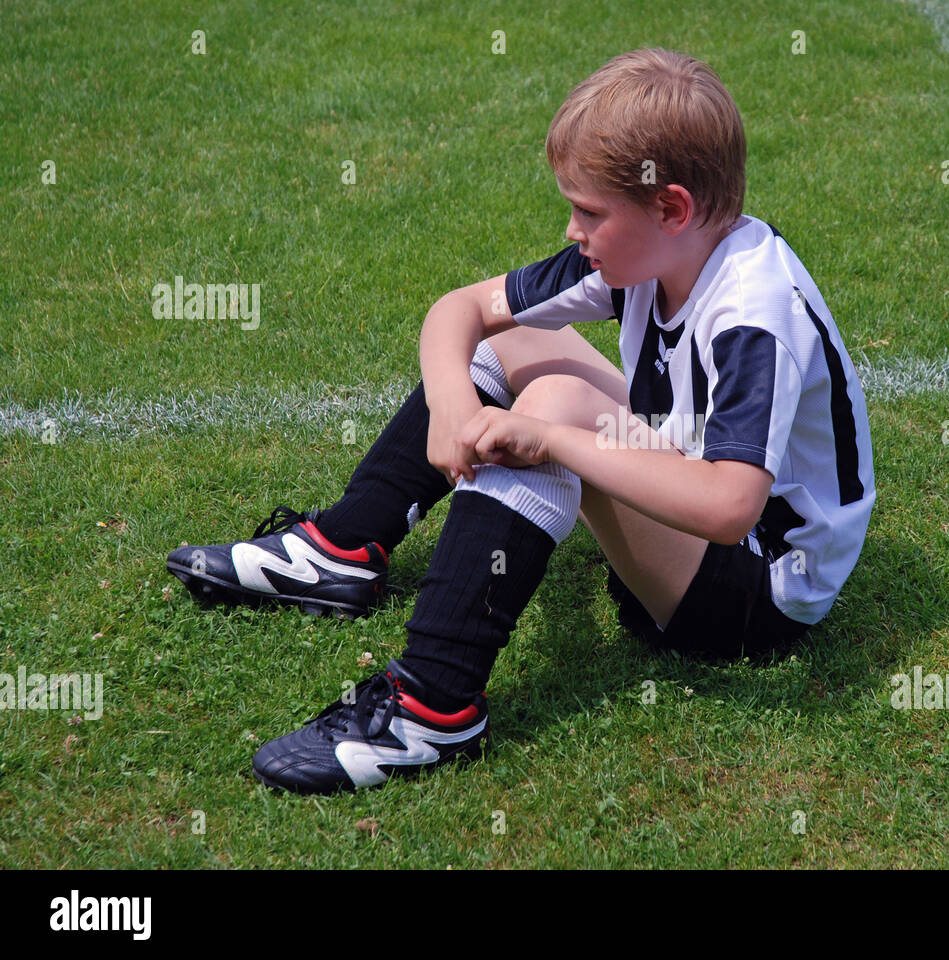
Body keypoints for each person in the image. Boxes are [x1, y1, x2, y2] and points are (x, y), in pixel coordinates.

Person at [166, 47, 875, 794]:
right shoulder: (658, 252)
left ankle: (430, 709)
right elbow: (461, 311)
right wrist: (452, 405)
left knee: (556, 408)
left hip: (757, 590)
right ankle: (344, 549)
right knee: (514, 337)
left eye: (591, 212)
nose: (573, 230)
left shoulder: (754, 314)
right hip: (690, 494)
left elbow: (730, 507)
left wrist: (556, 438)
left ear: (671, 207)